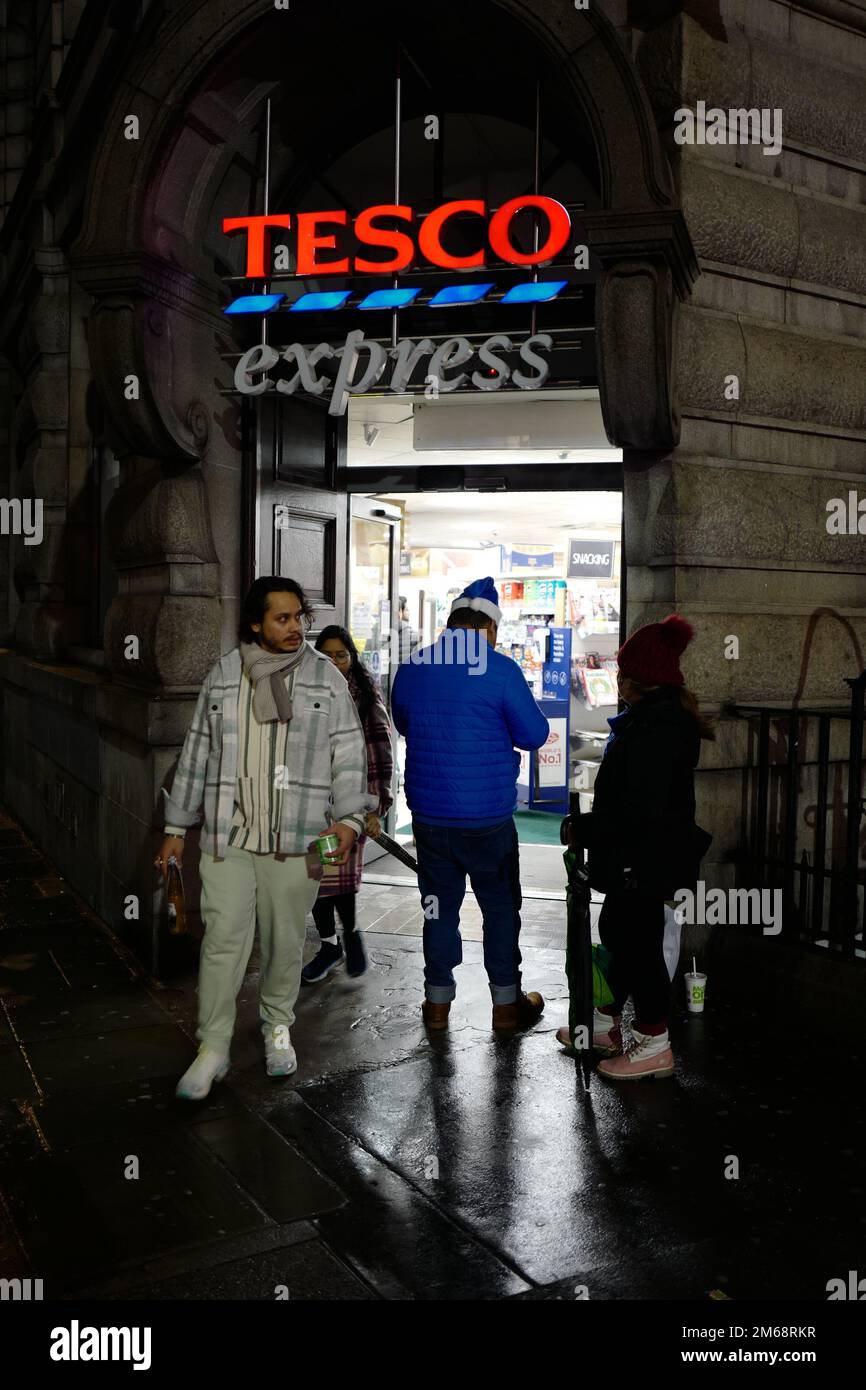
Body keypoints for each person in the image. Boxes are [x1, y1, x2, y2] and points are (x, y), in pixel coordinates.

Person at [156, 577, 372, 1100]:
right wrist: (174, 829)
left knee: (282, 943)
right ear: (256, 622)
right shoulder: (225, 676)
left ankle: (278, 1026)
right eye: (283, 618)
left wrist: (349, 820)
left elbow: (348, 753)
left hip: (296, 842)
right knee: (222, 943)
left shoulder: (325, 679)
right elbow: (196, 754)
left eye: (300, 616)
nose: (297, 627)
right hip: (227, 841)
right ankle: (213, 1048)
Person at [391, 577, 551, 1032]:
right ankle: (505, 1005)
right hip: (488, 823)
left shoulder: (415, 665)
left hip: (429, 818)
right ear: (490, 628)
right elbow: (534, 735)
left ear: (451, 625)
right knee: (500, 909)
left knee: (436, 908)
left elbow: (404, 722)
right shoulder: (500, 670)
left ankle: (437, 1005)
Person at [559, 614, 714, 1081]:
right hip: (641, 857)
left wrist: (584, 829)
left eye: (624, 672)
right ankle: (607, 1024)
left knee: (639, 945)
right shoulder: (651, 718)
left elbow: (638, 811)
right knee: (618, 931)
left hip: (645, 859)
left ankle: (653, 1043)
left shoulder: (655, 728)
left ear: (641, 679)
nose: (618, 679)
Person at [302, 625, 394, 983]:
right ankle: (330, 944)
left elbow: (381, 756)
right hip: (311, 806)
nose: (336, 662)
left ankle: (350, 933)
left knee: (339, 877)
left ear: (352, 659)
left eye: (342, 655)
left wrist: (375, 807)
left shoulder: (366, 702)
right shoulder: (305, 695)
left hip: (349, 806)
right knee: (318, 879)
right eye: (327, 655)